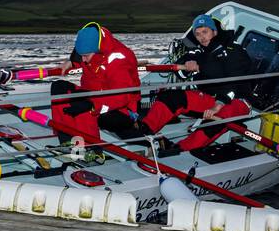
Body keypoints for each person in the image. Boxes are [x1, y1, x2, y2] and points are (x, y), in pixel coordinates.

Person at [141, 13, 253, 153]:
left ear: (215, 31)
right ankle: (144, 132)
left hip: (237, 100)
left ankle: (180, 148)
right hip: (209, 97)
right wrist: (186, 64)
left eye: (205, 32)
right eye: (198, 34)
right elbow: (181, 69)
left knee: (217, 120)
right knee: (170, 97)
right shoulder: (199, 50)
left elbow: (235, 82)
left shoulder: (233, 50)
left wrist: (218, 105)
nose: (202, 37)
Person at [50, 22, 141, 152]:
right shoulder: (92, 48)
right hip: (95, 95)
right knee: (59, 87)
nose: (84, 60)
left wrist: (93, 104)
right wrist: (71, 62)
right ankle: (67, 142)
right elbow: (84, 58)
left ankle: (93, 151)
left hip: (123, 109)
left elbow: (122, 96)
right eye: (81, 56)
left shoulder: (119, 60)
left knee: (85, 103)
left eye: (86, 56)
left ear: (97, 50)